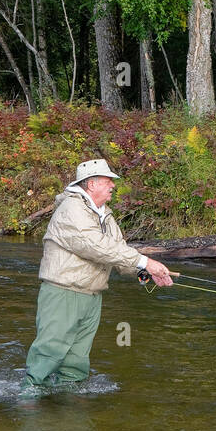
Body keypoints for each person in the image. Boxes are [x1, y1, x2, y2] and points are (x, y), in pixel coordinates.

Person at [18, 158, 173, 402]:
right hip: (63, 292)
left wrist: (145, 274)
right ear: (91, 184)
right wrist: (145, 261)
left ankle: (69, 408)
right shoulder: (72, 209)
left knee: (76, 360)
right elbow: (96, 247)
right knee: (50, 351)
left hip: (91, 295)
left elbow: (117, 252)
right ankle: (28, 401)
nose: (113, 185)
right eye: (108, 180)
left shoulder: (106, 215)